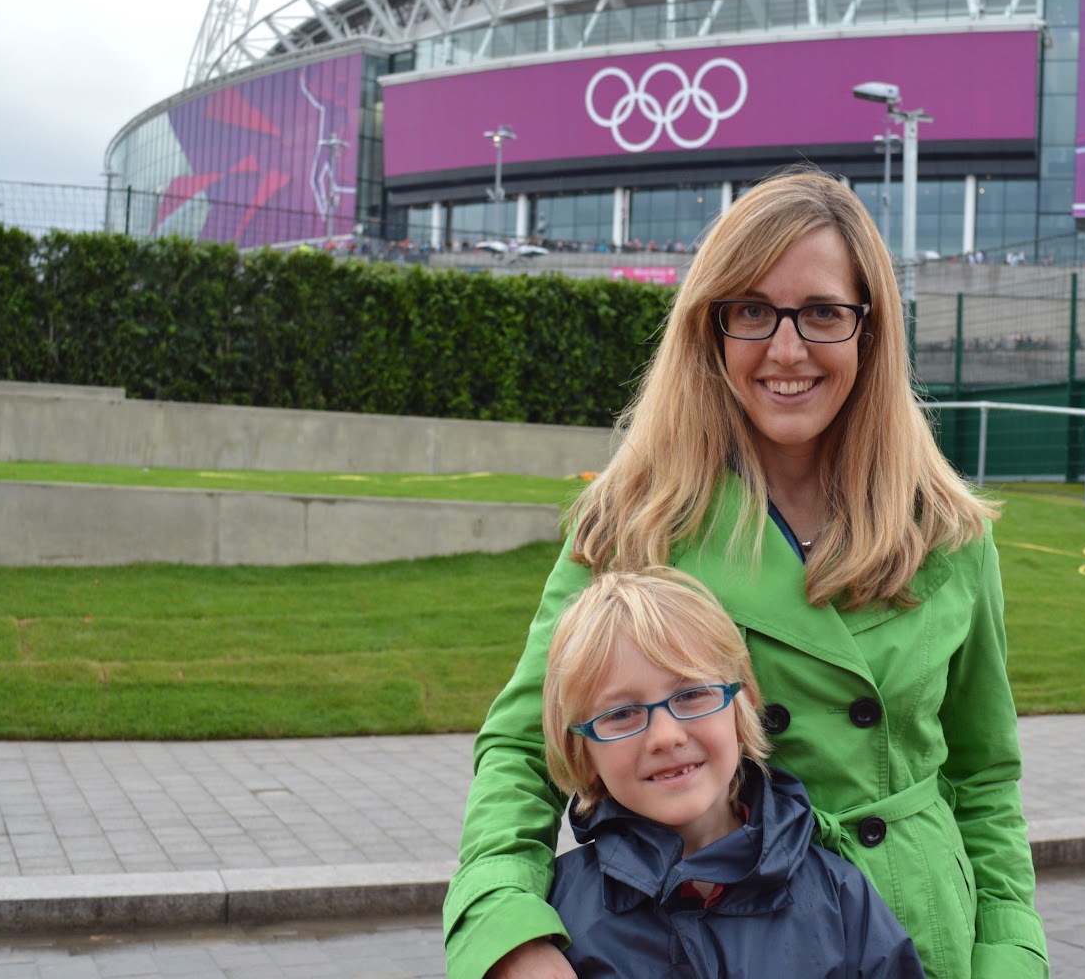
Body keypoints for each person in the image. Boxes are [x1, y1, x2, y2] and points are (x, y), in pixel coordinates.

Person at [444, 167, 1048, 979]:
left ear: (869, 332)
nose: (787, 349)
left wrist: (1010, 954)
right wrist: (508, 930)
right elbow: (525, 747)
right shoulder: (638, 520)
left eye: (824, 313)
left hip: (924, 936)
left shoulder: (947, 532)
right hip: (710, 939)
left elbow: (984, 779)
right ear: (711, 330)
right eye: (753, 312)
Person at [540, 567, 925, 978]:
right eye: (621, 714)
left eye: (691, 695)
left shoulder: (839, 899)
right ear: (581, 748)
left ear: (742, 707)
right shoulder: (556, 916)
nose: (665, 737)